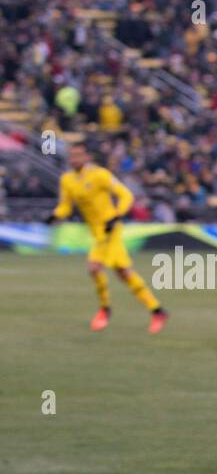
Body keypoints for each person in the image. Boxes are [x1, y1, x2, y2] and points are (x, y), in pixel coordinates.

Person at [49, 142, 169, 333]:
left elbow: (126, 195)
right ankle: (157, 310)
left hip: (110, 229)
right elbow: (65, 205)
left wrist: (117, 216)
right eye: (72, 156)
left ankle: (105, 310)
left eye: (78, 155)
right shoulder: (67, 180)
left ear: (87, 157)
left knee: (94, 266)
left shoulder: (100, 175)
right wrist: (55, 216)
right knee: (124, 273)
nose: (74, 159)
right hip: (96, 232)